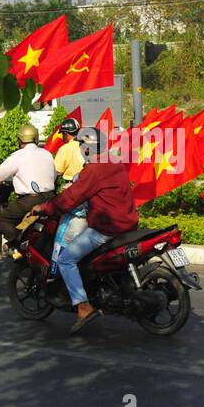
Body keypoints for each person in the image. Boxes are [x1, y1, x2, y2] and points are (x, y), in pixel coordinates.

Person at [35, 128, 138, 334]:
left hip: (106, 229)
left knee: (66, 259)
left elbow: (71, 198)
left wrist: (45, 208)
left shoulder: (94, 170)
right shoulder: (113, 162)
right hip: (127, 223)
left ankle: (83, 307)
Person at [0, 123, 56, 244]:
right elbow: (53, 175)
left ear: (20, 140)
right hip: (50, 197)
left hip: (30, 200)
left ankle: (17, 244)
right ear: (36, 138)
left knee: (2, 220)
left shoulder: (18, 156)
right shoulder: (47, 154)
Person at [52, 116, 84, 183]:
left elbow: (57, 171)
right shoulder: (86, 144)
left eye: (62, 134)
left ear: (66, 134)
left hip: (73, 184)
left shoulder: (65, 148)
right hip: (89, 182)